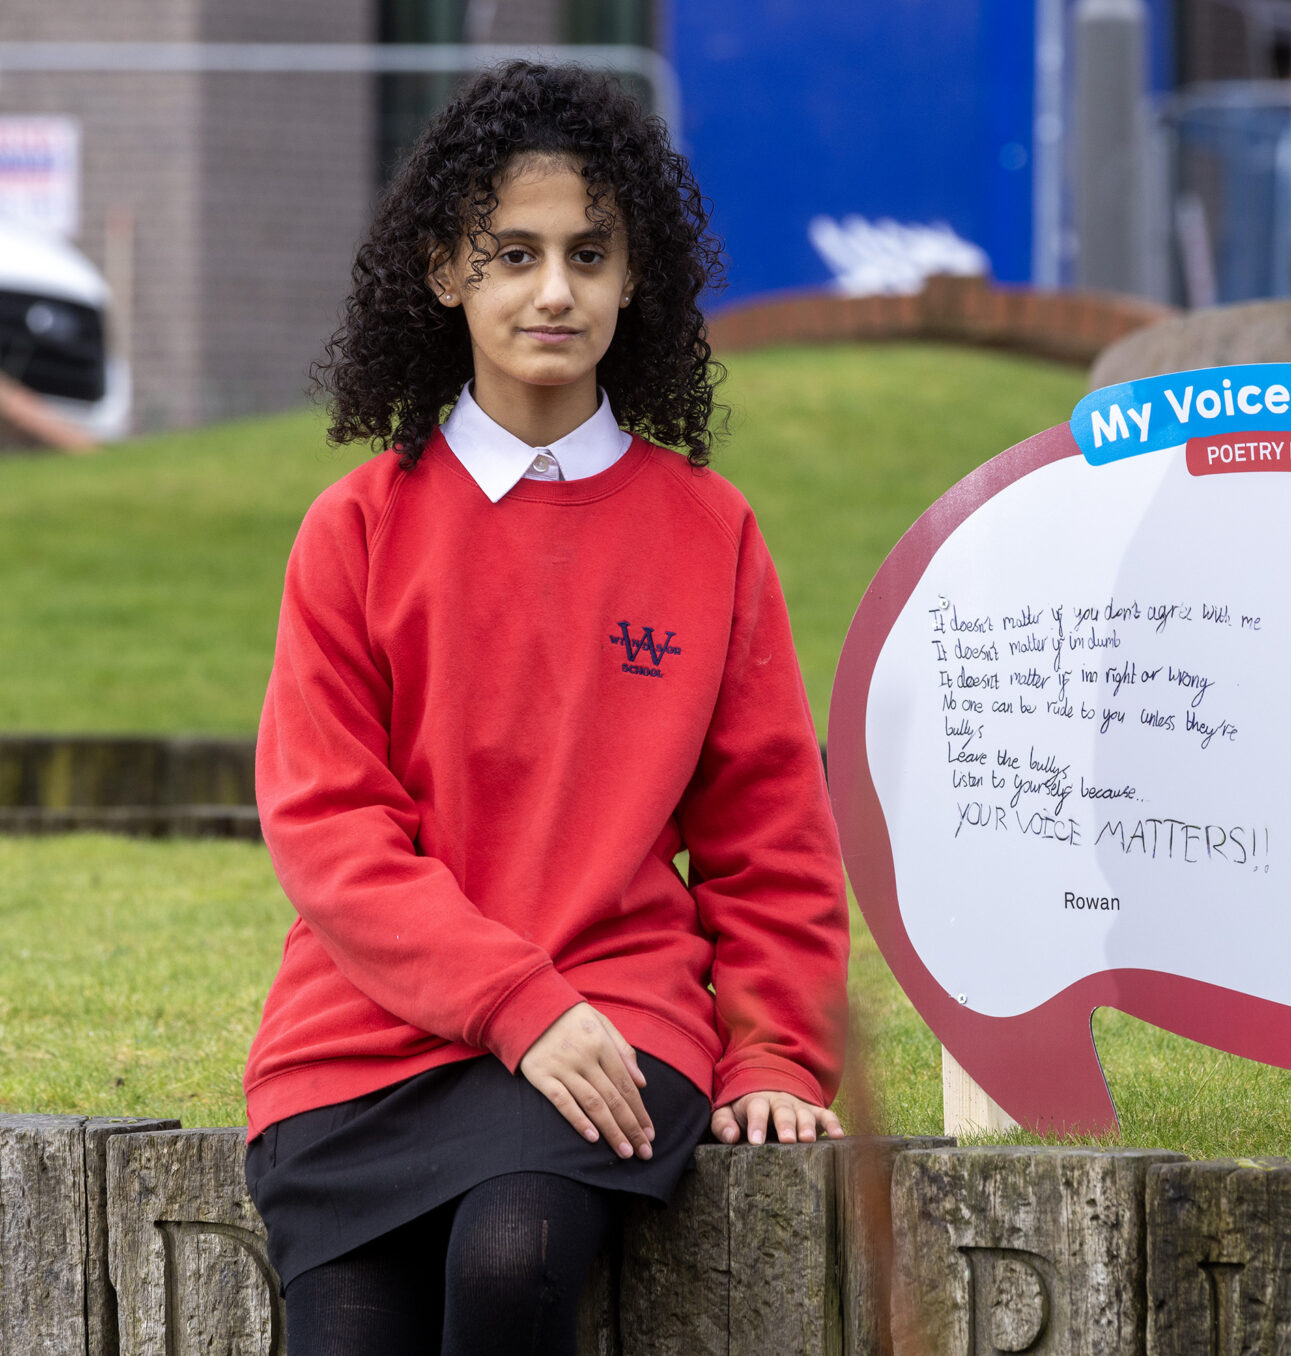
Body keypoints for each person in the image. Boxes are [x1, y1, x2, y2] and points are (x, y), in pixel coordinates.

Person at [241, 62, 849, 1355]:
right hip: (364, 1039)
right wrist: (515, 1003)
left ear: (636, 279)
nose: (555, 290)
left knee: (510, 1258)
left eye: (590, 253)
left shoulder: (708, 531)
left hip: (613, 1018)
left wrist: (776, 1054)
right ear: (444, 272)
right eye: (513, 254)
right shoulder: (357, 530)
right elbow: (330, 832)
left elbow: (770, 836)